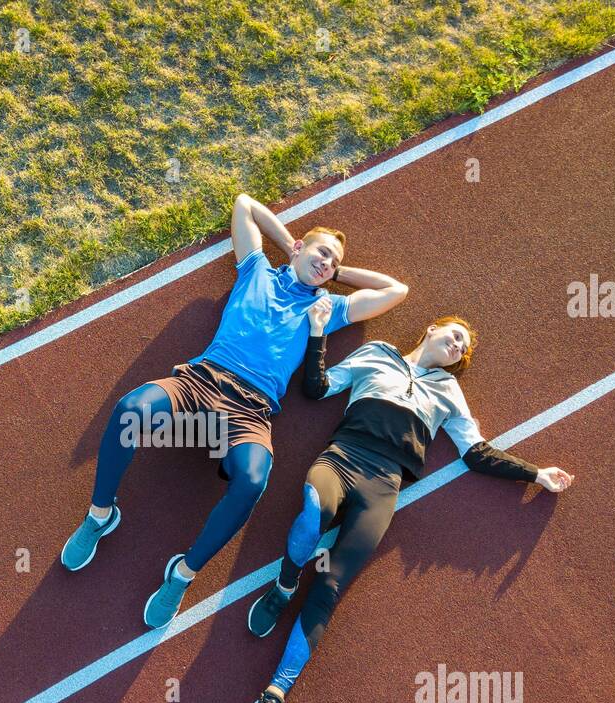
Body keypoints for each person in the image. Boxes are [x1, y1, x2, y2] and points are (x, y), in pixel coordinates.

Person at [60, 192, 410, 628]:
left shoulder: (328, 308)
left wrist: (336, 277)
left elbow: (397, 290)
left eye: (333, 262)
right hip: (200, 382)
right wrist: (290, 246)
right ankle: (100, 515)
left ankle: (182, 573)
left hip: (251, 411)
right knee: (131, 410)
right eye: (322, 252)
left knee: (251, 481)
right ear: (299, 246)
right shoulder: (256, 270)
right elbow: (244, 204)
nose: (327, 263)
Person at [242, 308, 575, 703]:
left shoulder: (449, 390)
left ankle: (275, 694)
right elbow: (318, 387)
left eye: (462, 349)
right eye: (455, 336)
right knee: (312, 506)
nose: (457, 347)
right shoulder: (376, 353)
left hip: (383, 486)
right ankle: (285, 587)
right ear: (432, 328)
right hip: (342, 458)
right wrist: (319, 332)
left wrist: (535, 474)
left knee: (332, 584)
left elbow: (474, 451)